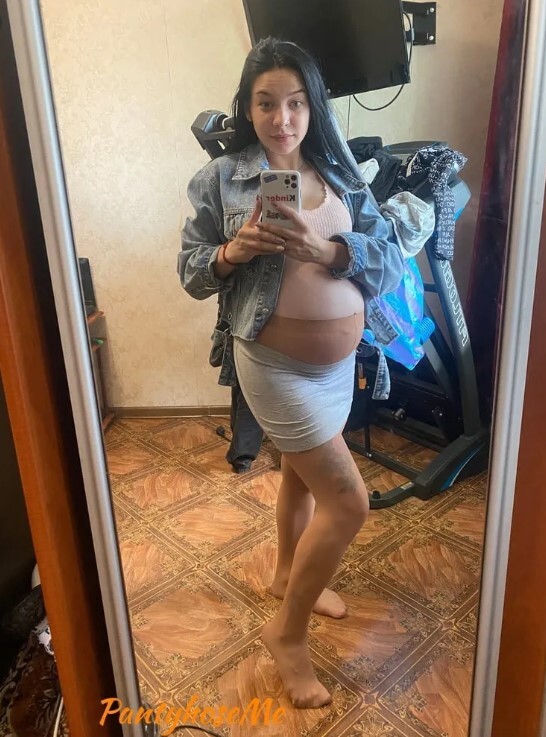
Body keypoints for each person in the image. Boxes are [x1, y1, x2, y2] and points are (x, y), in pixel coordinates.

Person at [178, 37, 404, 709]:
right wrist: (231, 251)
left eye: (297, 103)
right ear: (247, 109)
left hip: (337, 369)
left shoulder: (340, 170)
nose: (283, 119)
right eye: (266, 103)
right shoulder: (223, 179)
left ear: (314, 107)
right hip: (274, 365)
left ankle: (285, 574)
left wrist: (328, 248)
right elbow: (191, 271)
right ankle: (288, 632)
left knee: (299, 479)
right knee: (349, 502)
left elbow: (390, 261)